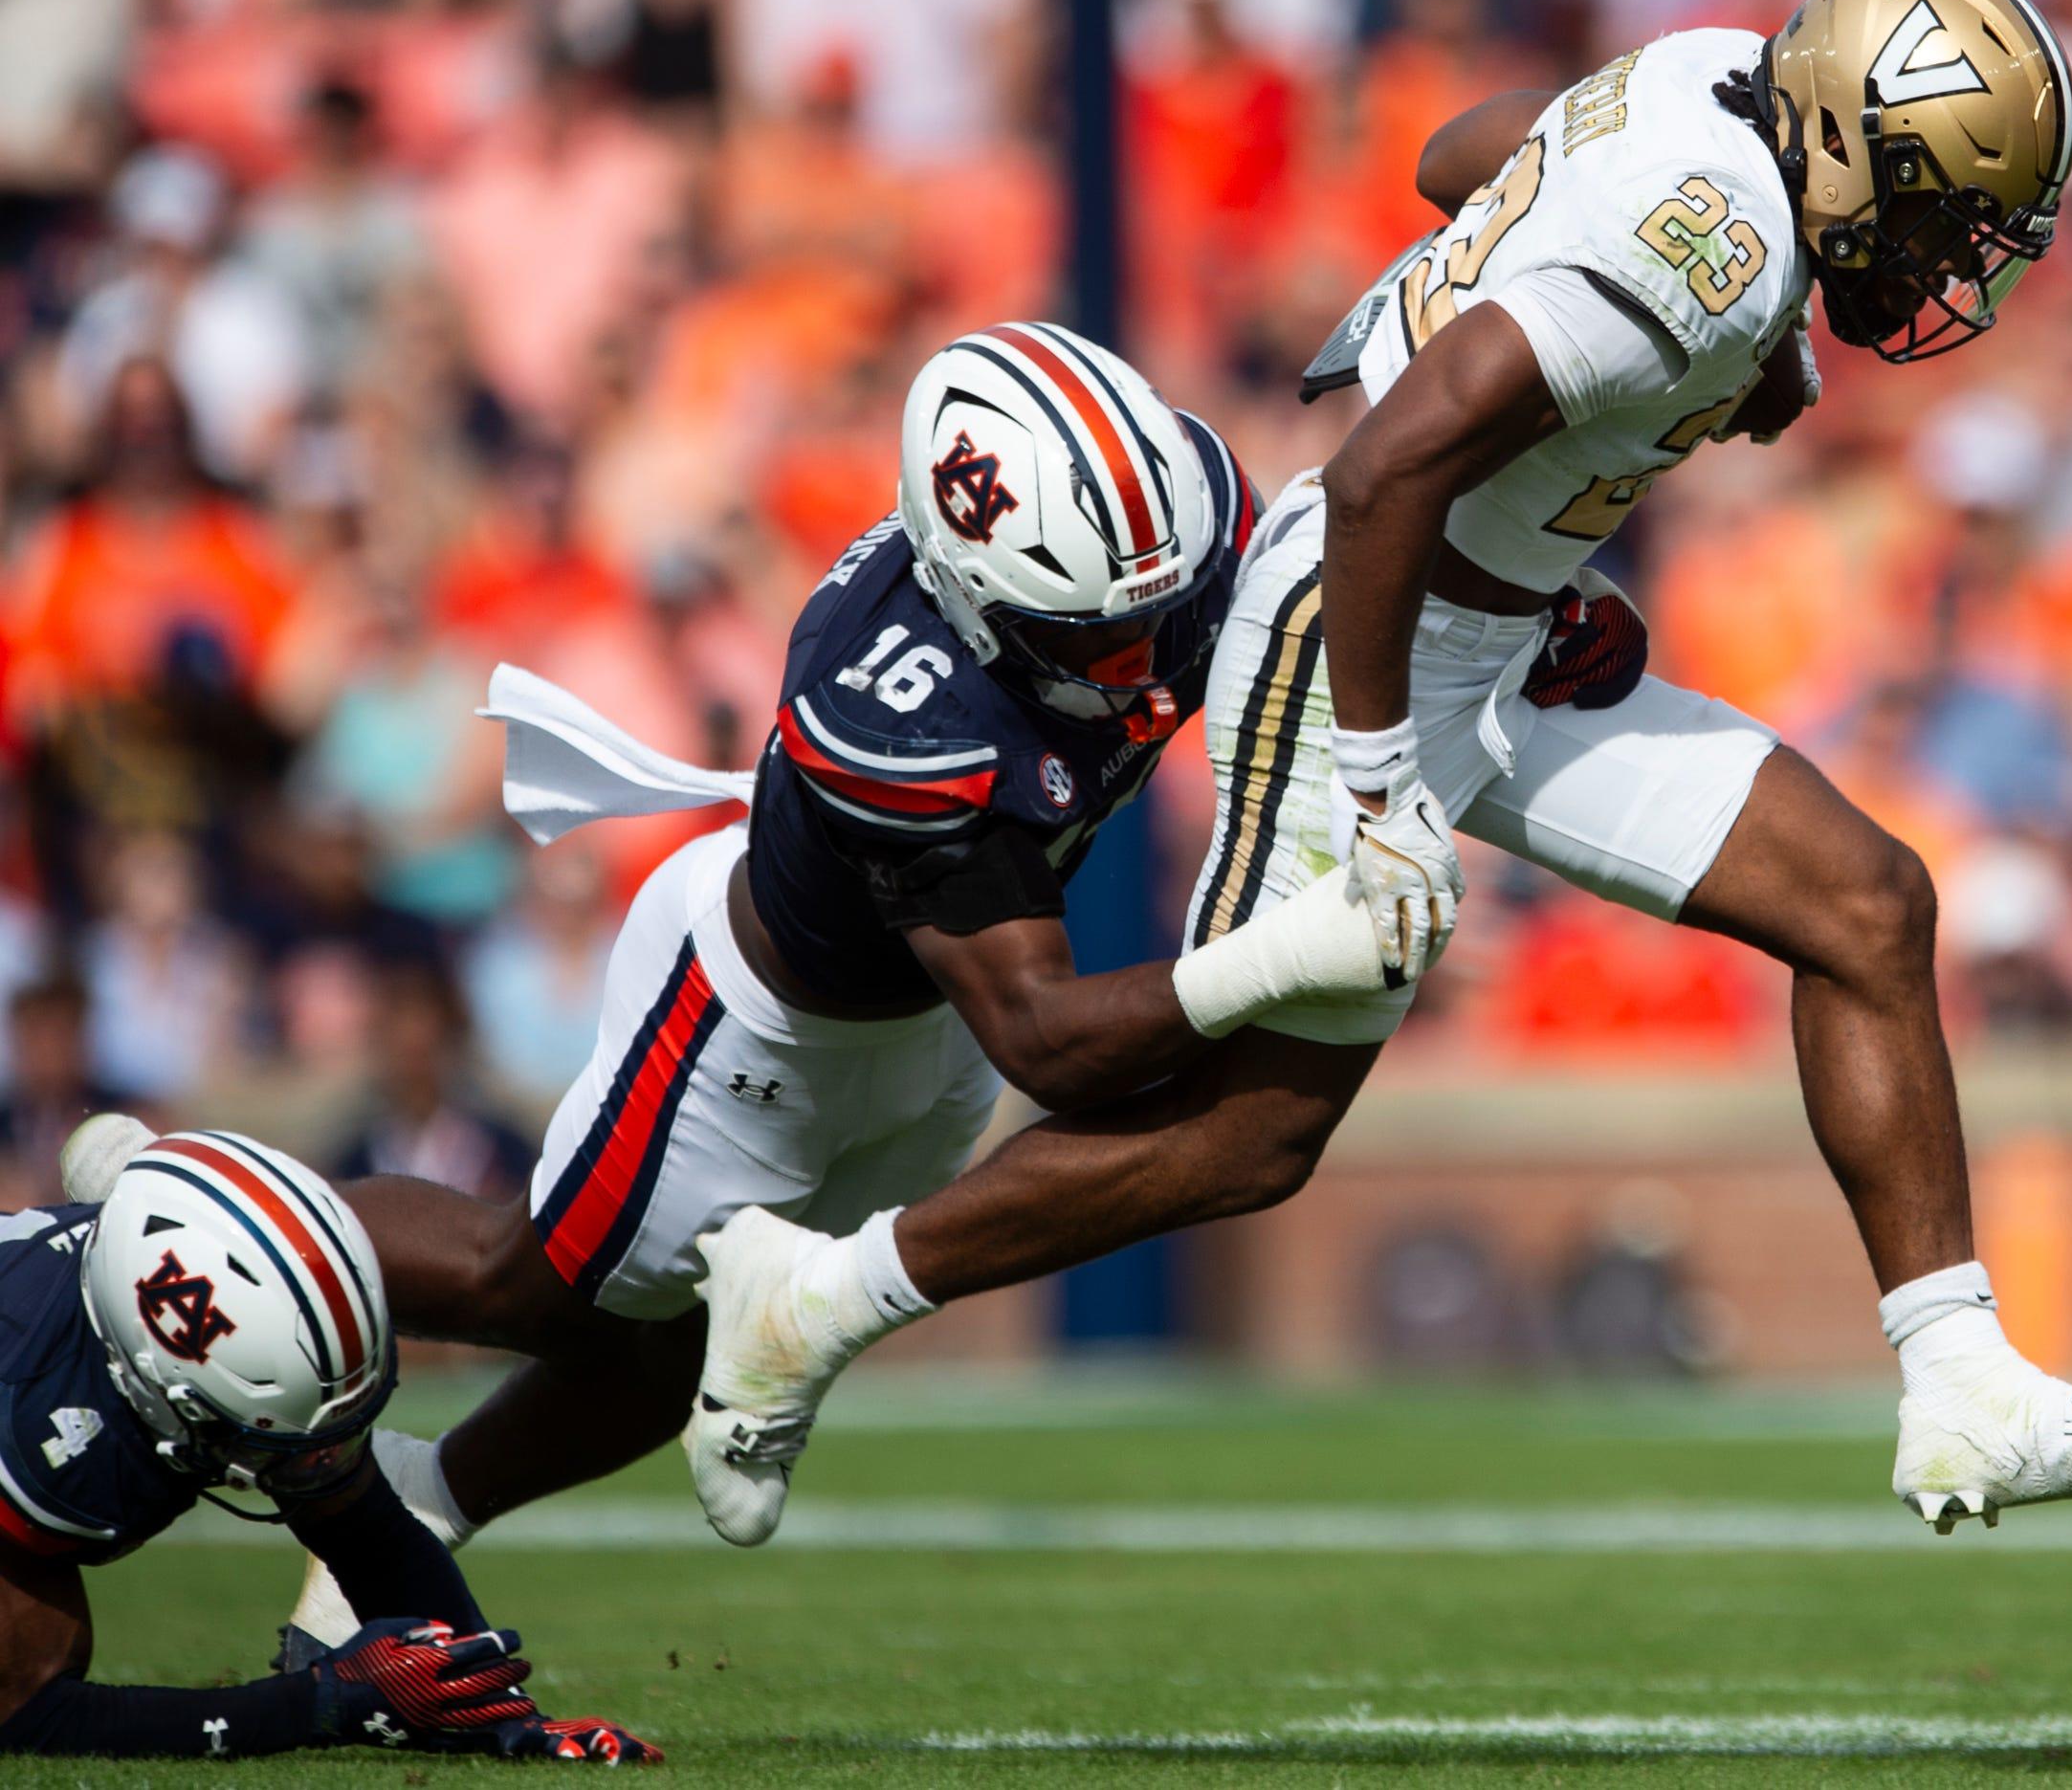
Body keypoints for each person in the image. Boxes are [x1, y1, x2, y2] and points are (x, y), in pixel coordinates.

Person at [690, 0, 2072, 1536]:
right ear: (1842, 136)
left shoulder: (1716, 71)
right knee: (1247, 1137)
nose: (1934, 262)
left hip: (1492, 625)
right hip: (1364, 628)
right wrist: (1377, 783)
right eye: (1924, 210)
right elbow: (1386, 469)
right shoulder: (1711, 242)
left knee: (1866, 902)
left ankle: (1961, 1382)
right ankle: (815, 1294)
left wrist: (1585, 486)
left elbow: (1461, 160)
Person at [235, 321, 1397, 1638]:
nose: (1144, 666)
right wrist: (1296, 946)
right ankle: (185, 1217)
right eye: (1096, 638)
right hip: (757, 1035)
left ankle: (427, 1492)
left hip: (935, 1025)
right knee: (537, 1287)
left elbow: (1312, 587)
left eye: (1153, 614)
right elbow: (1054, 1046)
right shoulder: (893, 709)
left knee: (695, 1339)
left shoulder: (1169, 512)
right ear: (969, 593)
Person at [1, 1116, 654, 1763]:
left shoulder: (151, 1331)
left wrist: (507, 1720)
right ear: (151, 1388)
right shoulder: (33, 1421)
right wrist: (320, 1702)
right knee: (48, 1646)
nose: (326, 1466)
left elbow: (364, 1528)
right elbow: (25, 1709)